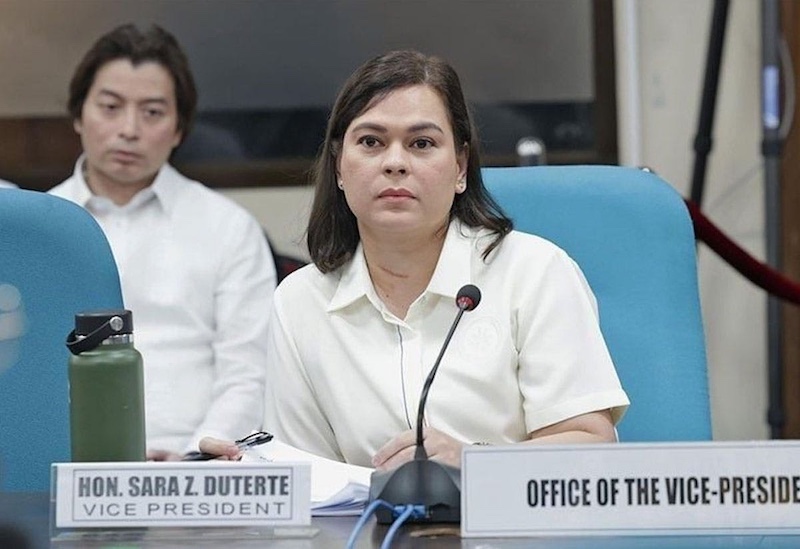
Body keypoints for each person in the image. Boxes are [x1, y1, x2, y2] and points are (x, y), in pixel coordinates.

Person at [202, 50, 628, 469]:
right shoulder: (300, 301)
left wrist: (473, 462)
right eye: (371, 142)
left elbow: (590, 445)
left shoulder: (534, 271)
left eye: (421, 143)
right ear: (338, 167)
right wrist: (252, 473)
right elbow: (309, 476)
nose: (394, 163)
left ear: (460, 166)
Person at [50, 24, 276, 460]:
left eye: (152, 112)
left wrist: (193, 458)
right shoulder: (40, 228)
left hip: (190, 472)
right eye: (110, 107)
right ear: (79, 115)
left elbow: (250, 373)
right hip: (55, 471)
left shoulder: (228, 228)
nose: (129, 129)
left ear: (179, 129)